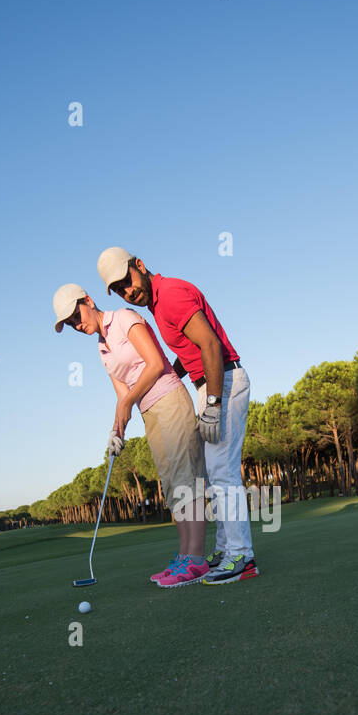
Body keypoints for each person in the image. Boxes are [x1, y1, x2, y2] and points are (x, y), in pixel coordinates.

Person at [96, 247, 258, 585]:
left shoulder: (169, 295)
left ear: (140, 265)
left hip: (223, 381)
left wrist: (212, 402)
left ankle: (242, 558)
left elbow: (211, 345)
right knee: (215, 475)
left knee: (221, 473)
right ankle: (228, 549)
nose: (129, 291)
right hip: (211, 383)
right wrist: (179, 377)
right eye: (120, 289)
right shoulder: (158, 303)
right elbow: (192, 349)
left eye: (128, 280)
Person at [51, 283, 207, 587]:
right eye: (70, 324)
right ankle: (185, 556)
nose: (77, 325)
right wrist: (117, 429)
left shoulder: (123, 318)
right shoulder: (102, 347)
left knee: (186, 478)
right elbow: (123, 395)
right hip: (150, 411)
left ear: (88, 300)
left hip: (170, 398)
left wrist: (125, 402)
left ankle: (197, 559)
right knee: (172, 484)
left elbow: (155, 363)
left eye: (76, 315)